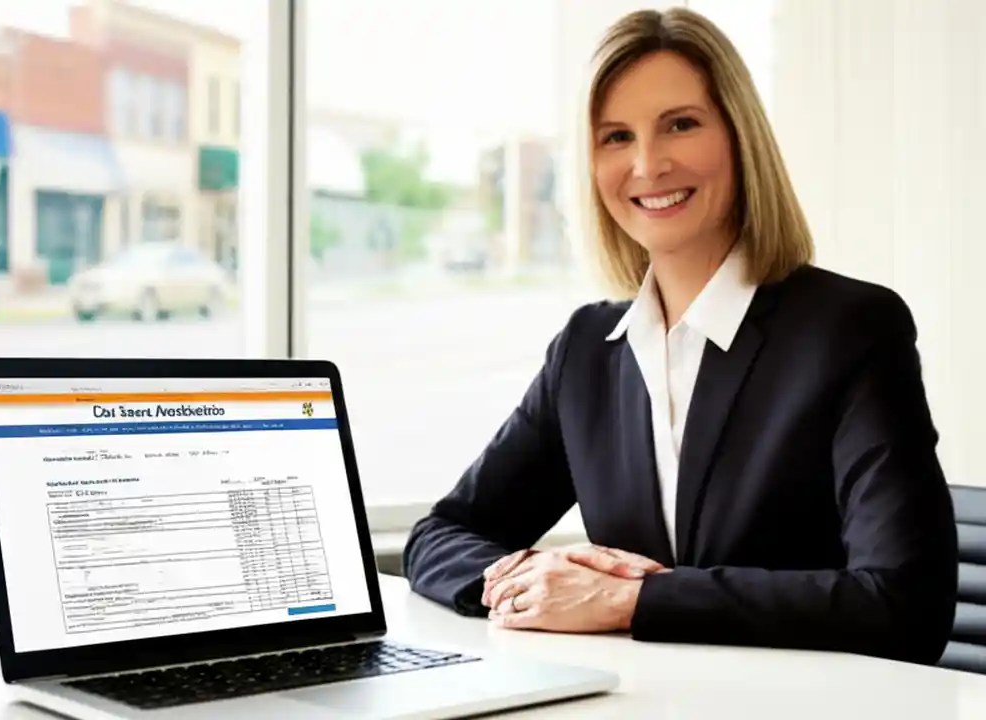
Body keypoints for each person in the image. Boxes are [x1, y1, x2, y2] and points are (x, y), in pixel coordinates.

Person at [401, 7, 957, 665]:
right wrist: (526, 580)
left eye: (681, 124)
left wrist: (631, 600)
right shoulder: (587, 350)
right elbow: (439, 536)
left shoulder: (851, 329)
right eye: (615, 137)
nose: (648, 164)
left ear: (739, 137)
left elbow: (905, 605)